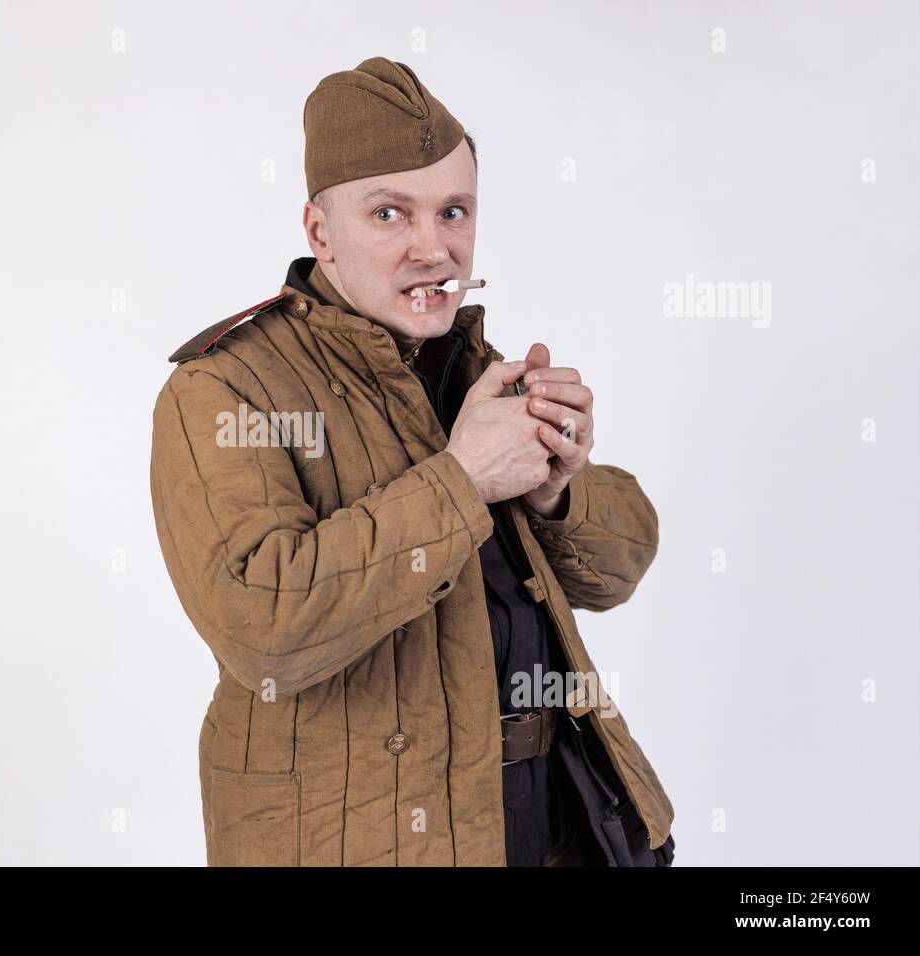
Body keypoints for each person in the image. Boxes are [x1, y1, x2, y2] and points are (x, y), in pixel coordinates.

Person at [150, 56, 675, 866]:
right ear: (320, 232)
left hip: (552, 819)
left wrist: (557, 494)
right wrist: (462, 481)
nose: (434, 249)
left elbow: (621, 571)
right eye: (390, 214)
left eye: (454, 211)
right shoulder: (223, 389)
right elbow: (262, 627)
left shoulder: (471, 364)